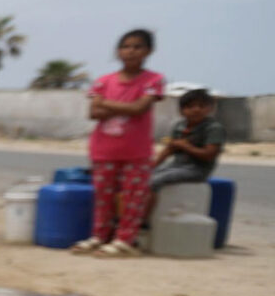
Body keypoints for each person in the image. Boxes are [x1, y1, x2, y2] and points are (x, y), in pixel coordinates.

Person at [75, 28, 166, 256]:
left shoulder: (153, 80)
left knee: (133, 197)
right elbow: (93, 112)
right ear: (118, 51)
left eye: (137, 47)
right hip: (104, 149)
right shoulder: (104, 81)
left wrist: (106, 103)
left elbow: (139, 108)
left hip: (136, 151)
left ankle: (125, 239)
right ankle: (100, 236)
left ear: (148, 51)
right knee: (103, 197)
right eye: (125, 47)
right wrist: (125, 106)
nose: (131, 51)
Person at [149, 87, 225, 202]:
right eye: (190, 107)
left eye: (201, 106)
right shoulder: (179, 126)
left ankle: (145, 213)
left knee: (154, 181)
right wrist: (152, 166)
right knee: (145, 177)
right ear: (181, 111)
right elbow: (169, 150)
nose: (196, 110)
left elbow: (209, 155)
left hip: (197, 170)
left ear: (210, 108)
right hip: (176, 166)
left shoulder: (213, 128)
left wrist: (186, 146)